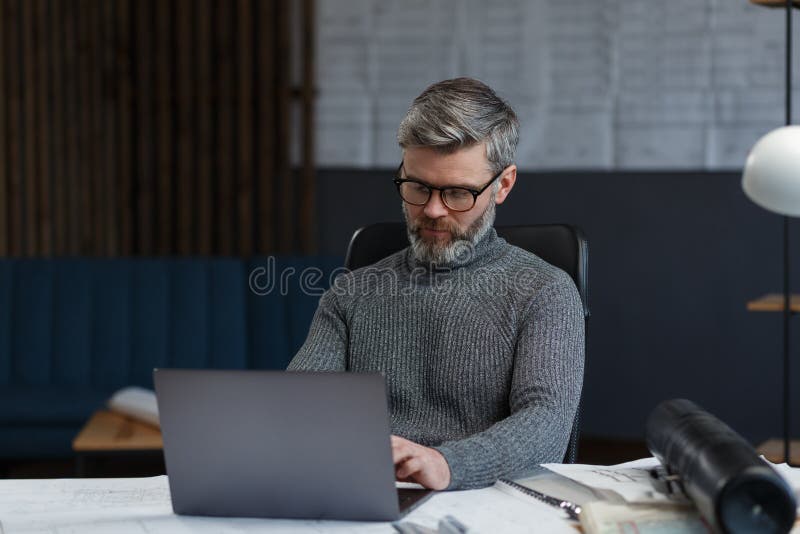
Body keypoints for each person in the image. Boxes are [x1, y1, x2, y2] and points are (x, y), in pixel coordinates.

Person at [287, 77, 584, 490]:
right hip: (366, 491)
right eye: (418, 187)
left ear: (503, 185)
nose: (432, 210)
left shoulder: (545, 292)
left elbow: (546, 425)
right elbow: (297, 407)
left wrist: (445, 464)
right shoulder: (350, 294)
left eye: (458, 193)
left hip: (481, 497)